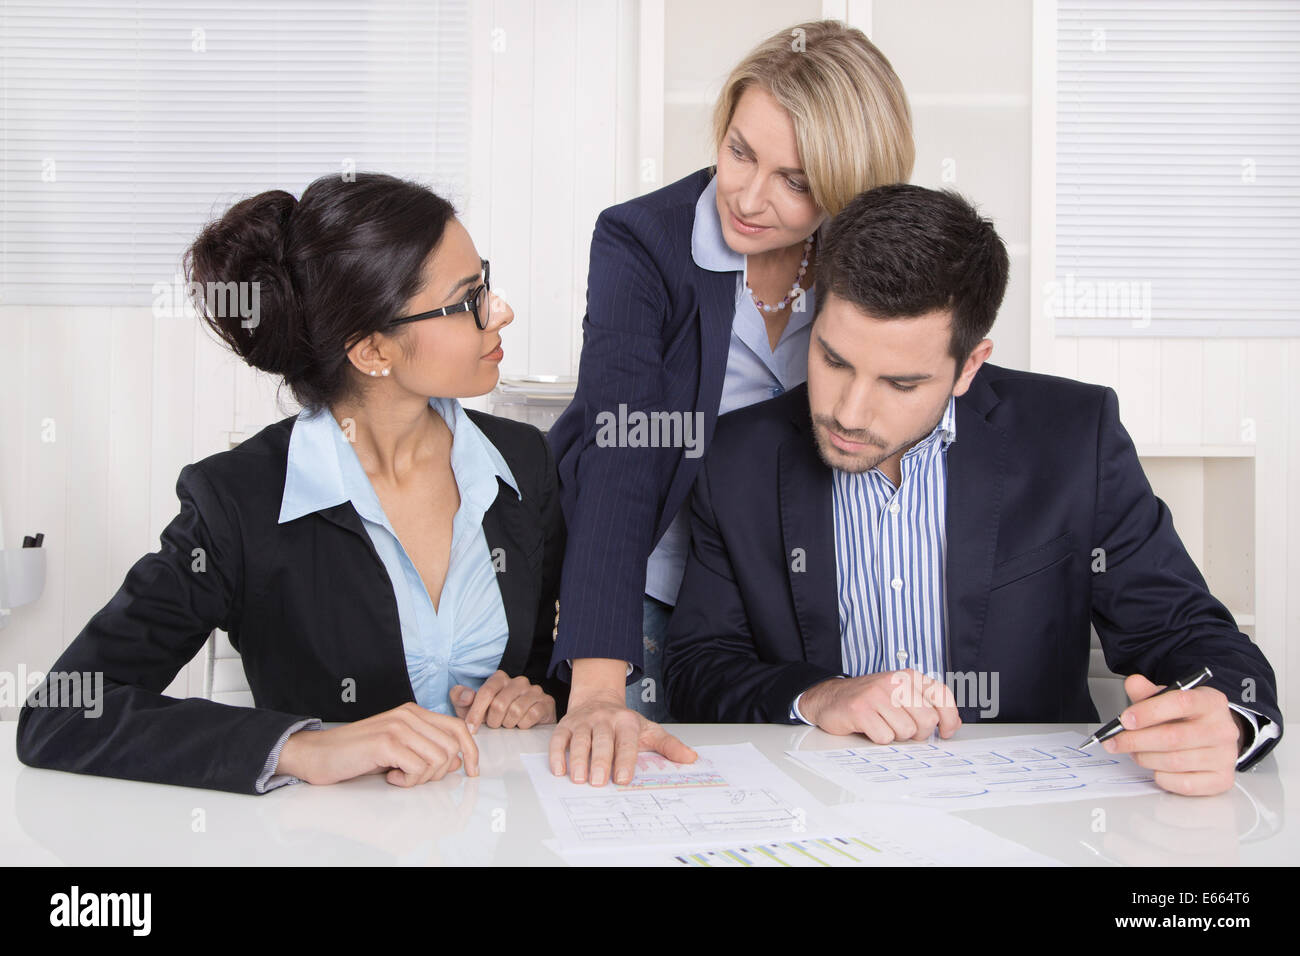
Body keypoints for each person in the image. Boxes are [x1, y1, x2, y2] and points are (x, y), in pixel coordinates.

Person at [663, 183, 1282, 796]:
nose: (849, 413)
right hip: (825, 818)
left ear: (969, 366)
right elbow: (699, 667)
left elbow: (1186, 631)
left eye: (900, 384)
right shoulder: (737, 456)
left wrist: (1229, 718)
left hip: (1030, 820)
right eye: (834, 360)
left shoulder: (1072, 439)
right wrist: (820, 695)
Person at [17, 172, 567, 795]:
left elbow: (553, 667)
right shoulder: (237, 502)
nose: (501, 310)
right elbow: (60, 714)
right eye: (470, 299)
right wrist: (303, 747)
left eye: (486, 283)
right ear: (371, 351)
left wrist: (539, 700)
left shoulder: (523, 462)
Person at [546, 19, 915, 786]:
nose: (747, 197)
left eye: (797, 180)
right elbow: (621, 455)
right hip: (647, 585)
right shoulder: (643, 243)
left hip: (790, 598)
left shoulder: (868, 262)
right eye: (741, 151)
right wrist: (596, 693)